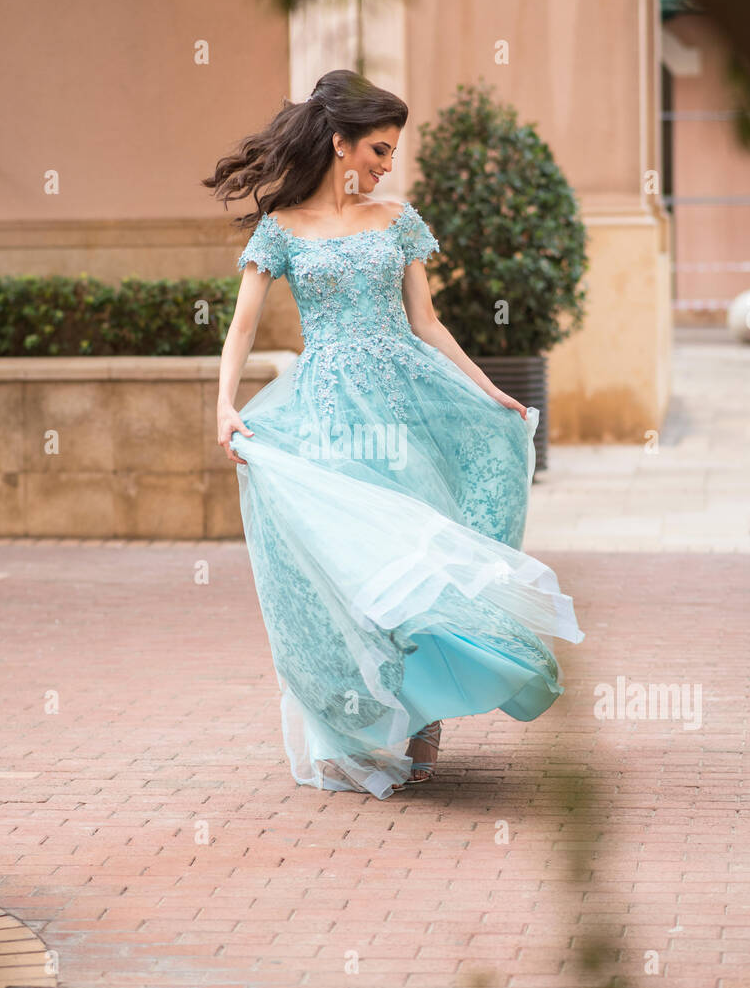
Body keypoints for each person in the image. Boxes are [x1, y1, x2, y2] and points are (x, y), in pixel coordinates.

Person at [205, 69, 583, 799]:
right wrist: (223, 406)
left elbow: (426, 322)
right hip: (324, 412)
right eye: (378, 149)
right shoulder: (279, 231)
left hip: (405, 405)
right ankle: (357, 723)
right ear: (340, 143)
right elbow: (243, 326)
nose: (386, 164)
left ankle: (423, 719)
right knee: (352, 563)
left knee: (418, 548)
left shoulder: (396, 218)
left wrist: (486, 391)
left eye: (391, 151)